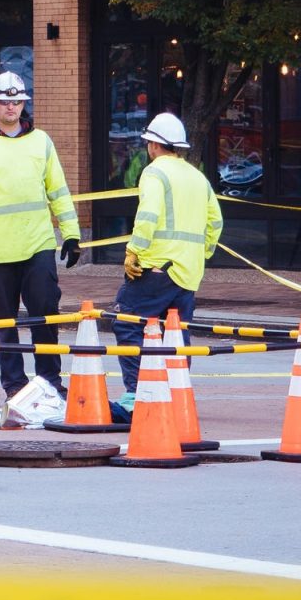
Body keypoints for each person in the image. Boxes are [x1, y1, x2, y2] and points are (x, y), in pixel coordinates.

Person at [0, 72, 83, 400]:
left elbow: (59, 191)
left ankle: (50, 383)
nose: (12, 107)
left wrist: (71, 234)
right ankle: (15, 388)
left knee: (45, 312)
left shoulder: (42, 142)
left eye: (17, 101)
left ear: (24, 104)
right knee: (4, 322)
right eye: (5, 101)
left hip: (37, 243)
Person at [113, 113, 223, 403]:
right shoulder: (198, 177)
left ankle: (138, 395)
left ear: (153, 145)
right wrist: (202, 253)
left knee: (127, 323)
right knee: (175, 334)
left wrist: (133, 250)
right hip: (187, 272)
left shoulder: (154, 172)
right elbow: (216, 222)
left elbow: (148, 215)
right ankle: (176, 395)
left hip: (156, 267)